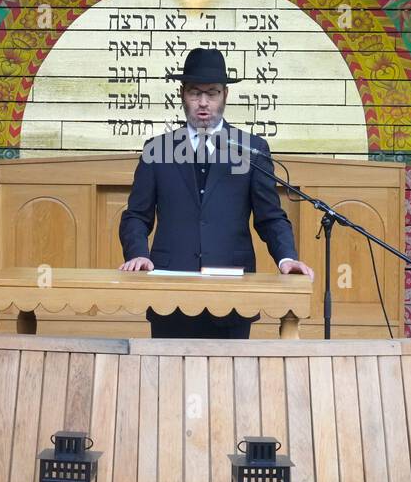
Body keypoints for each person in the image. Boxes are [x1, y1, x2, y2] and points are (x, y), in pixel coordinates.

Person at [119, 47, 314, 338]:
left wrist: (286, 257)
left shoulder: (251, 150)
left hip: (232, 288)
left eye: (212, 93)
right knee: (168, 379)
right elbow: (135, 215)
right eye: (195, 93)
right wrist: (138, 254)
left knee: (231, 380)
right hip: (170, 291)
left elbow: (270, 217)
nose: (203, 103)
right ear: (182, 94)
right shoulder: (156, 150)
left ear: (225, 95)